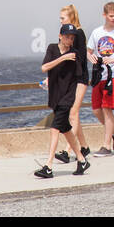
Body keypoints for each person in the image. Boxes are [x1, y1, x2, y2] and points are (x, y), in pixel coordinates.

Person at [35, 24, 90, 178]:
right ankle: (81, 159)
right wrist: (62, 58)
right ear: (60, 36)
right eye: (67, 36)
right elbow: (44, 67)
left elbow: (80, 76)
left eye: (72, 38)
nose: (69, 40)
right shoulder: (52, 49)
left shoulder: (75, 54)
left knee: (55, 129)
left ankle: (48, 166)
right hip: (55, 95)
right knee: (66, 129)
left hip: (68, 96)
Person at [87, 2, 114, 155]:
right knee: (96, 109)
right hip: (99, 75)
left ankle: (106, 146)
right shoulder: (96, 32)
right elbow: (87, 51)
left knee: (107, 109)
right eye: (111, 16)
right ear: (104, 15)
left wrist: (113, 60)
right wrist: (91, 58)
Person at [54, 5, 91, 164]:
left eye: (63, 18)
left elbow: (80, 58)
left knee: (73, 113)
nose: (60, 20)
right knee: (73, 114)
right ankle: (84, 146)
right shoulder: (64, 34)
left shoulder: (79, 33)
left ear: (71, 18)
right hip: (69, 78)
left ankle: (68, 151)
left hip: (79, 77)